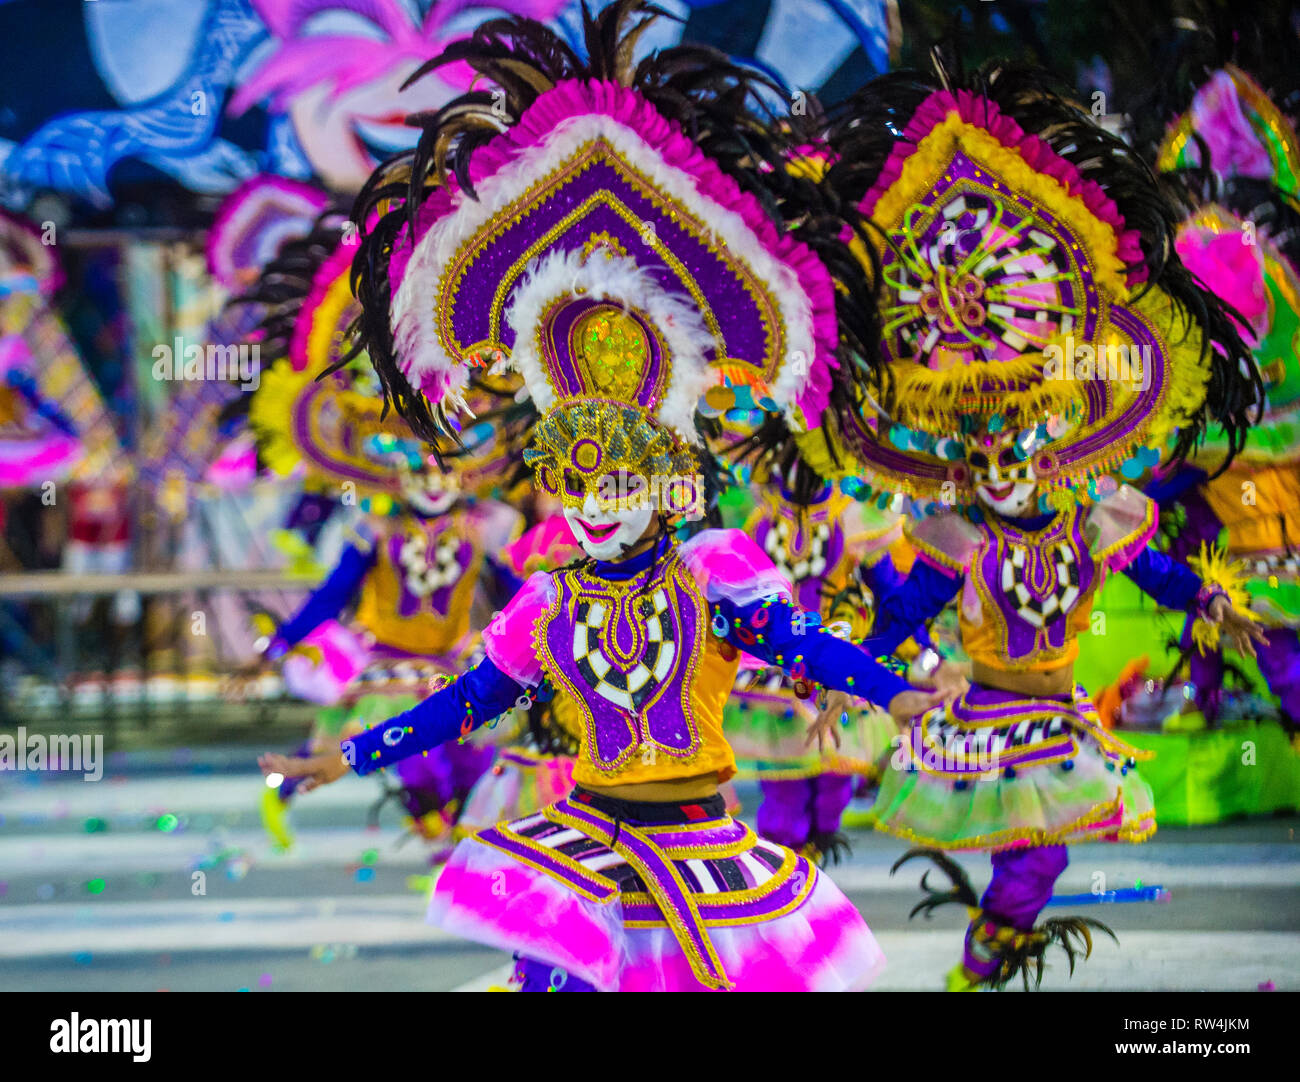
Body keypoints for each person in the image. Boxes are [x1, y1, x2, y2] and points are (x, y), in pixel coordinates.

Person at [262, 0, 941, 992]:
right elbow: (467, 701)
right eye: (575, 479)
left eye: (618, 479)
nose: (592, 503)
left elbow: (803, 647)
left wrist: (896, 689)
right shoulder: (546, 598)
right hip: (583, 847)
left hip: (701, 851)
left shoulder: (715, 575)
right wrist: (349, 755)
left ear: (666, 483)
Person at [816, 60, 1267, 989]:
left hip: (1057, 718)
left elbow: (1158, 576)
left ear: (1053, 445)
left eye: (1023, 449)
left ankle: (988, 950)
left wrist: (1209, 603)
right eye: (991, 458)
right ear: (972, 466)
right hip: (985, 714)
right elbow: (906, 607)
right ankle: (988, 952)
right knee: (1028, 853)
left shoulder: (1091, 521)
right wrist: (853, 674)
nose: (1009, 470)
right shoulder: (963, 541)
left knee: (1045, 859)